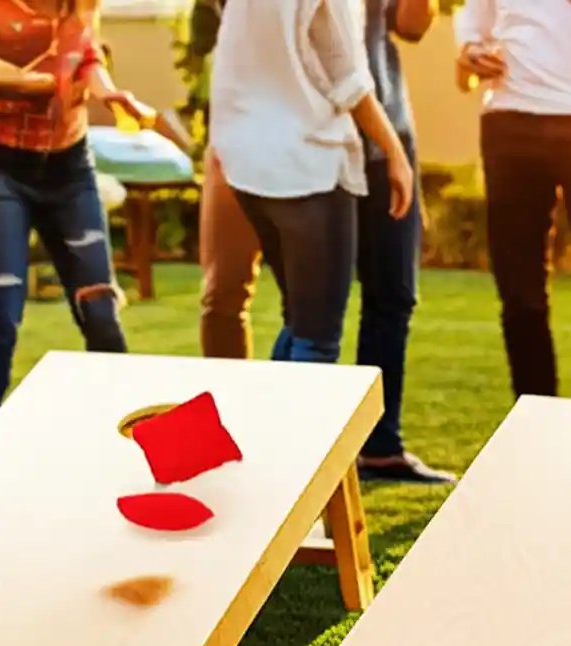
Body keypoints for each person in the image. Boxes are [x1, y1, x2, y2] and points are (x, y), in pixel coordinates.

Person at [192, 0, 454, 483]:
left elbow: (231, 71)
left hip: (253, 164)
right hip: (312, 162)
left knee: (302, 326)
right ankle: (295, 487)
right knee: (316, 340)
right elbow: (348, 77)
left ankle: (271, 462)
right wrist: (394, 152)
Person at [0, 0, 181, 439]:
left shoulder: (82, 4)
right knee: (1, 312)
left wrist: (108, 92)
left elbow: (87, 54)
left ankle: (127, 441)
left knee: (101, 311)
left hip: (69, 169)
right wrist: (27, 84)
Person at [454, 0, 571, 405]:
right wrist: (472, 54)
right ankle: (534, 424)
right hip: (510, 120)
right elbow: (471, 38)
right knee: (520, 298)